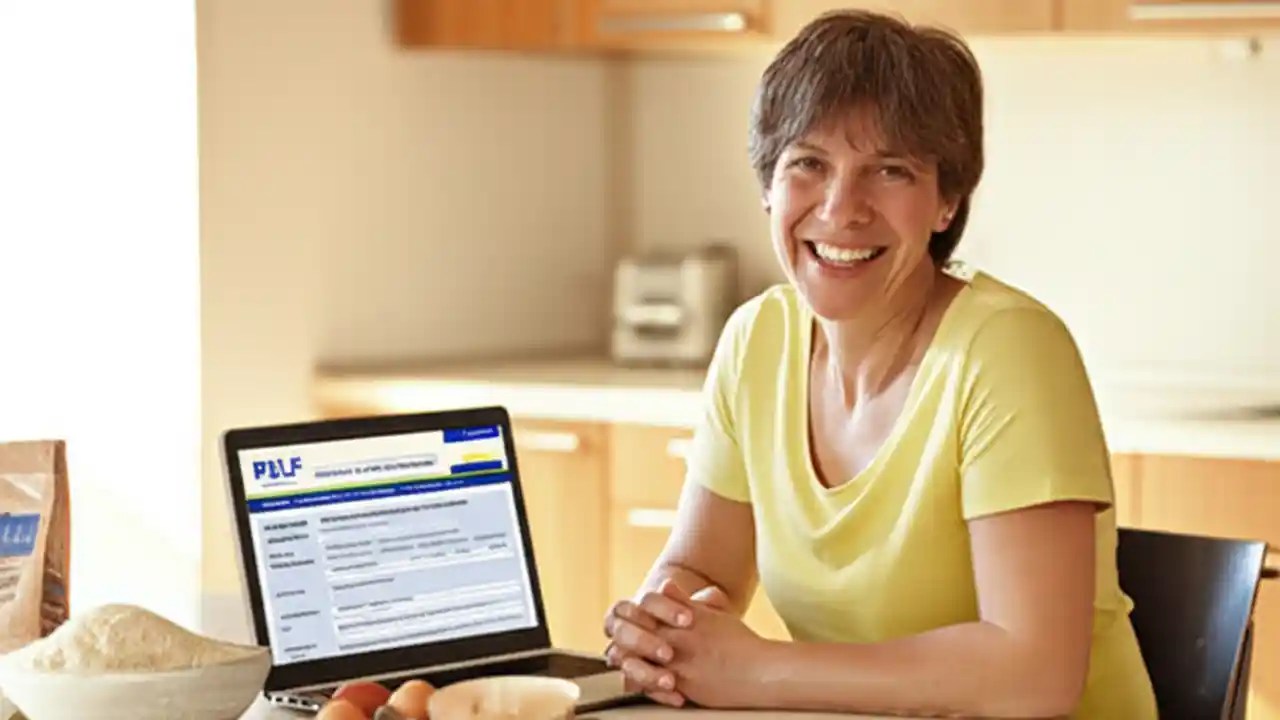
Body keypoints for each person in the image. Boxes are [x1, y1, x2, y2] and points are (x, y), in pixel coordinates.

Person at [598, 9, 1158, 719]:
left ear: (945, 200)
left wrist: (763, 670)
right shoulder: (756, 340)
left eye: (889, 171)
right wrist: (663, 626)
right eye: (809, 164)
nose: (841, 208)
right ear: (769, 183)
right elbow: (701, 569)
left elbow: (1034, 676)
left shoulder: (1008, 351)